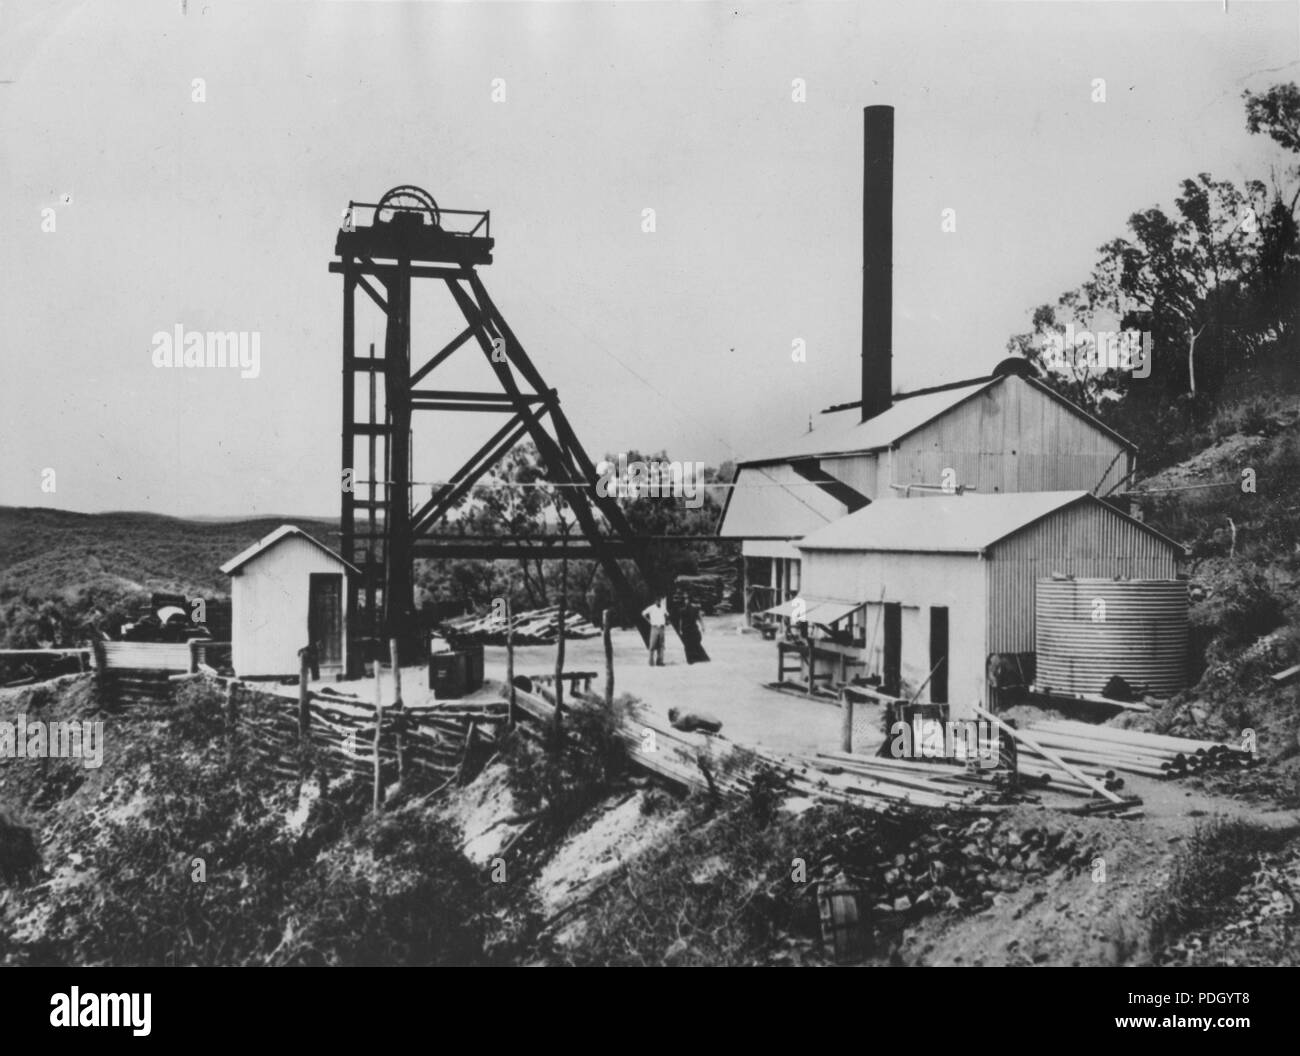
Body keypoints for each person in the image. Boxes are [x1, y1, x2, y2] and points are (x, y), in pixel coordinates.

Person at [678, 600, 710, 665]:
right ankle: (692, 659)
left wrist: (703, 626)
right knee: (690, 645)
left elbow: (699, 618)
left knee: (693, 644)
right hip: (687, 630)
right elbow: (681, 620)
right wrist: (680, 629)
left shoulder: (693, 610)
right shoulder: (683, 610)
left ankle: (694, 659)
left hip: (691, 629)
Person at [642, 594, 668, 666]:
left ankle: (660, 661)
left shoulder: (663, 607)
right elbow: (643, 613)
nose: (658, 602)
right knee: (652, 645)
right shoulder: (651, 608)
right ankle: (651, 661)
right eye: (657, 601)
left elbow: (667, 614)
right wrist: (649, 621)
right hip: (654, 627)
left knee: (661, 645)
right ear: (655, 601)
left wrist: (665, 621)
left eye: (659, 600)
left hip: (662, 628)